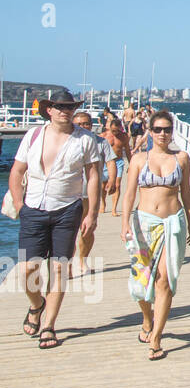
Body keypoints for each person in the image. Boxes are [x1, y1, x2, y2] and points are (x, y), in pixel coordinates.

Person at [8, 90, 104, 349]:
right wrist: (20, 205)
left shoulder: (85, 140)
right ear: (49, 110)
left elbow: (93, 177)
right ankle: (37, 304)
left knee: (59, 269)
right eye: (60, 106)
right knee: (28, 270)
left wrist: (92, 214)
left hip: (67, 210)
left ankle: (49, 325)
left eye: (70, 106)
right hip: (33, 209)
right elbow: (17, 171)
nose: (66, 110)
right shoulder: (33, 135)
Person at [119, 110, 190, 360]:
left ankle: (156, 338)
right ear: (150, 132)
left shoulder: (181, 158)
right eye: (158, 129)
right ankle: (146, 318)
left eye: (167, 129)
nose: (163, 134)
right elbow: (129, 193)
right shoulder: (139, 160)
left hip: (173, 223)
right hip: (144, 224)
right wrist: (124, 224)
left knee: (164, 280)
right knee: (141, 282)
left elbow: (187, 192)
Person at [71, 111, 118, 275]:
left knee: (87, 229)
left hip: (91, 194)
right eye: (79, 124)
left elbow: (111, 161)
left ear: (91, 125)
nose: (83, 127)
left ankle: (82, 261)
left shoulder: (101, 142)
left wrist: (112, 179)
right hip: (69, 193)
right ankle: (68, 265)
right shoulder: (67, 142)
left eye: (86, 124)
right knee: (68, 231)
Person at [103, 118, 131, 215]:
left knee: (117, 185)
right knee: (103, 186)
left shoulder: (124, 137)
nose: (115, 132)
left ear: (120, 128)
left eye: (117, 130)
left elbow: (127, 151)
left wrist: (130, 164)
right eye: (113, 130)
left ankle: (114, 209)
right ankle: (103, 204)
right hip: (105, 162)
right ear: (110, 128)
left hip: (118, 162)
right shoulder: (104, 136)